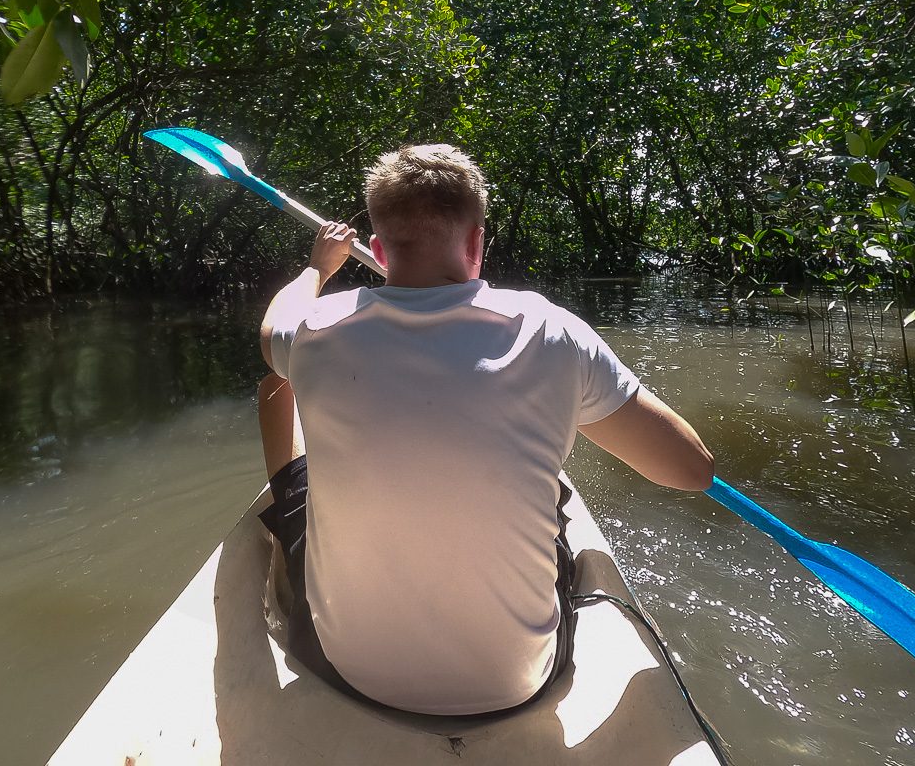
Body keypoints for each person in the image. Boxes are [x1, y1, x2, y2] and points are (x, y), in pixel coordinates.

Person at [255, 144, 713, 717]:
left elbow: (272, 328)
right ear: (476, 243)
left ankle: (278, 526)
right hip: (518, 684)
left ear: (376, 250)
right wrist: (578, 399)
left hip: (355, 672)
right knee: (559, 499)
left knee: (275, 385)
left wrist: (317, 268)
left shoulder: (316, 325)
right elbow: (693, 471)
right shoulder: (552, 331)